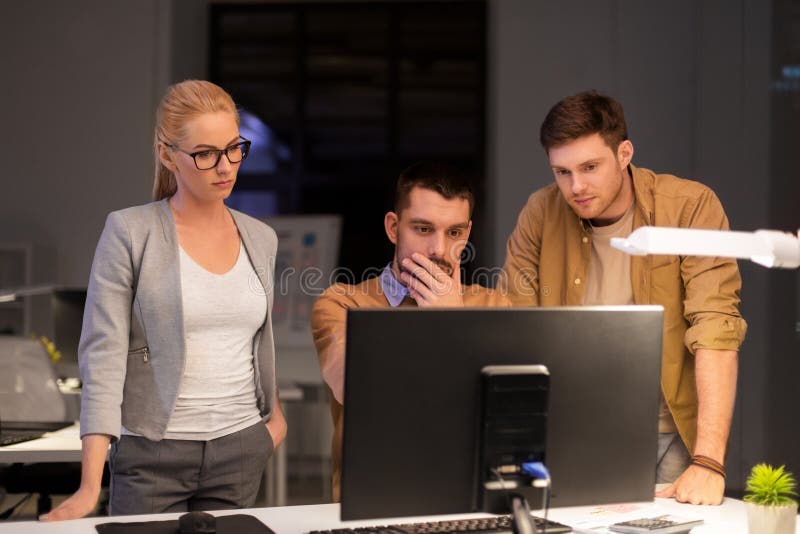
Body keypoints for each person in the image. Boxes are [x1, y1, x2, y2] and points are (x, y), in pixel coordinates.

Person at [44, 80, 287, 520]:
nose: (225, 166)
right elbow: (103, 356)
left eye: (234, 148)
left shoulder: (261, 238)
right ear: (166, 154)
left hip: (240, 449)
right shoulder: (129, 232)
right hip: (153, 453)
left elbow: (255, 343)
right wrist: (88, 486)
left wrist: (273, 426)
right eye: (205, 153)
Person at [501, 90, 746, 506]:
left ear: (624, 153)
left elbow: (716, 329)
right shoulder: (540, 213)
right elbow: (513, 328)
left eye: (590, 167)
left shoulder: (689, 207)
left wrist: (708, 462)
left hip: (671, 435)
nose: (576, 186)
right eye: (562, 172)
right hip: (572, 434)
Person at [311, 162, 509, 501]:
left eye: (454, 233)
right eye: (422, 229)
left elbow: (501, 413)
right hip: (372, 503)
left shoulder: (494, 306)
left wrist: (453, 320)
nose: (439, 250)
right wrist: (441, 328)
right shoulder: (343, 303)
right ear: (393, 227)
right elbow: (355, 385)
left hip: (467, 502)